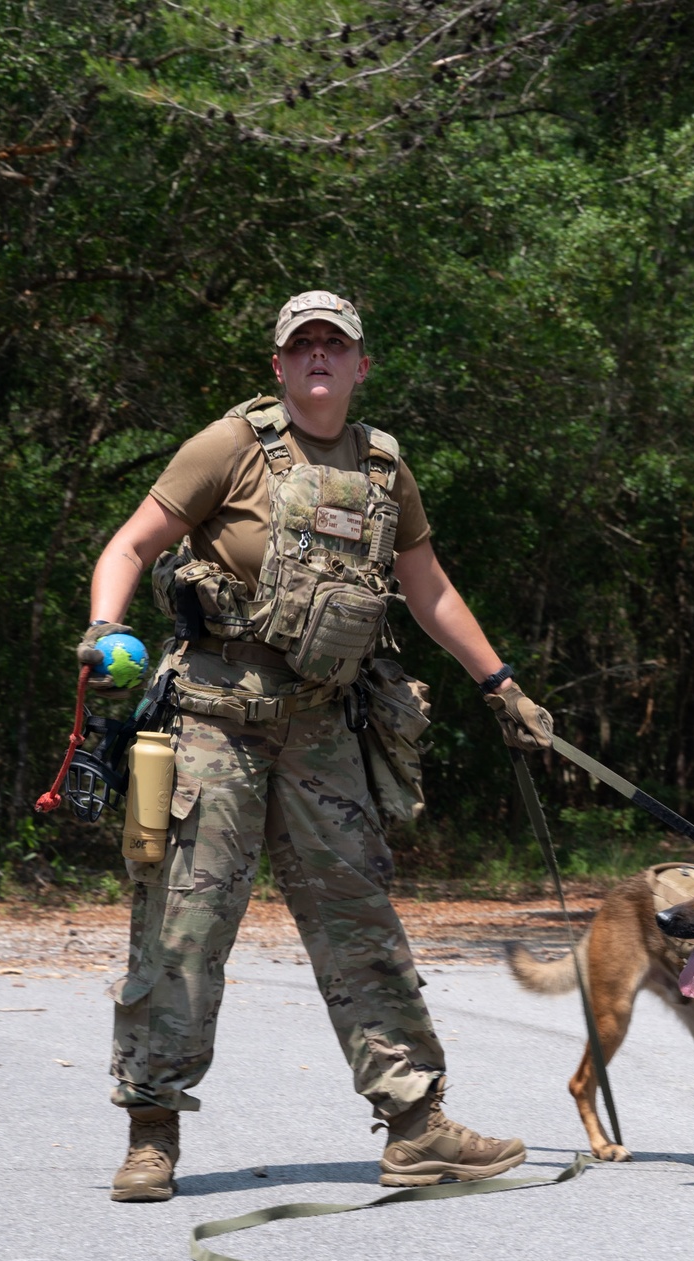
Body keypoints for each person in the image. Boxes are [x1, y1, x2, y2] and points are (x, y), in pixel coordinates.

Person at [78, 290, 553, 1203]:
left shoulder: (382, 470)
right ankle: (151, 1131)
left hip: (323, 728)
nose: (320, 358)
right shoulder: (231, 447)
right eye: (304, 346)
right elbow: (132, 544)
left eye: (336, 345)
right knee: (183, 924)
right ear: (281, 366)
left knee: (360, 925)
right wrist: (104, 629)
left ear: (361, 365)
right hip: (212, 720)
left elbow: (430, 589)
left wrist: (501, 684)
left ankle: (417, 1125)